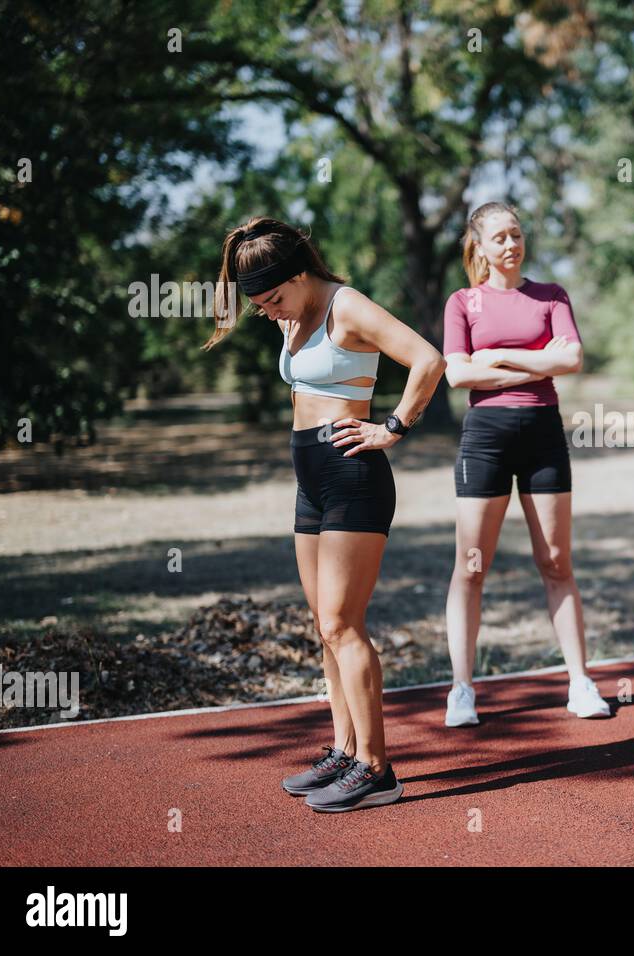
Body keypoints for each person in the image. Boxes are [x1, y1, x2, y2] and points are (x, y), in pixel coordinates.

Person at [204, 217, 445, 812]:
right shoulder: (292, 313)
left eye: (274, 298)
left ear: (302, 274)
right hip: (310, 478)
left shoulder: (348, 307)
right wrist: (282, 318)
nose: (268, 311)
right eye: (258, 304)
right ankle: (344, 749)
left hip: (352, 477)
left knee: (343, 623)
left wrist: (392, 426)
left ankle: (377, 769)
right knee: (323, 626)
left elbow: (428, 359)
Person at [439, 201, 610, 726]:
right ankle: (462, 690)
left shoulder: (551, 296)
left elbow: (572, 360)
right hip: (485, 439)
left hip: (543, 436)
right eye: (499, 238)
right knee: (472, 566)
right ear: (480, 247)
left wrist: (498, 359)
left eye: (516, 234)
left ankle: (580, 683)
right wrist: (536, 362)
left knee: (557, 563)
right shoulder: (463, 302)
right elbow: (456, 376)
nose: (511, 245)